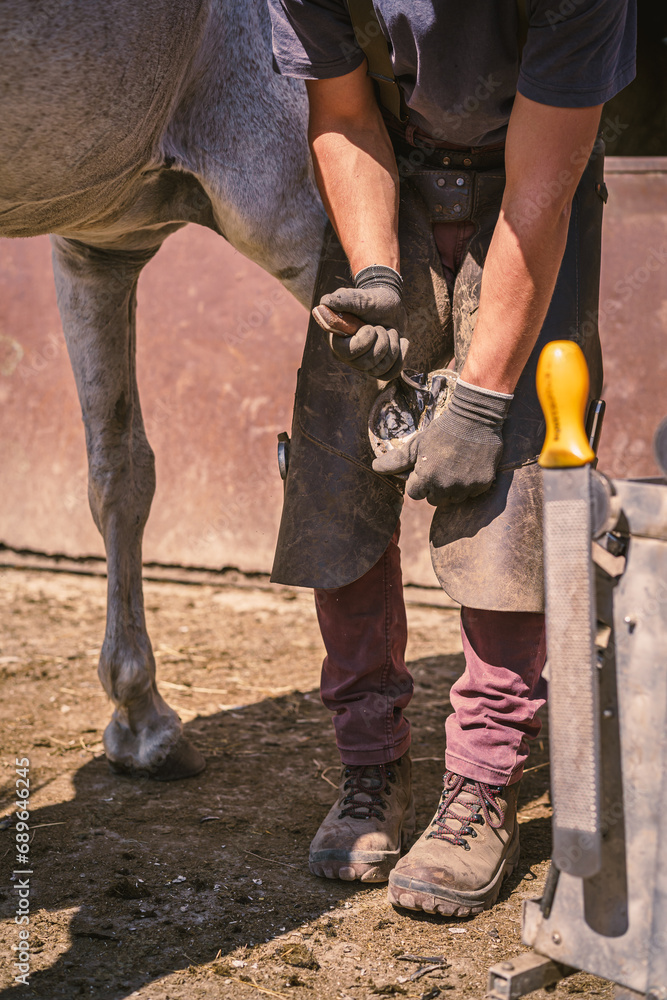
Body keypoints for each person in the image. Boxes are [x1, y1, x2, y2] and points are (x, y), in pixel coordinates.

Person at [267, 0, 636, 916]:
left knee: (507, 488)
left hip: (528, 205)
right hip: (386, 187)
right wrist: (378, 273)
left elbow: (541, 187)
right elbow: (346, 115)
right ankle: (368, 769)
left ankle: (482, 786)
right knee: (338, 477)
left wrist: (476, 399)